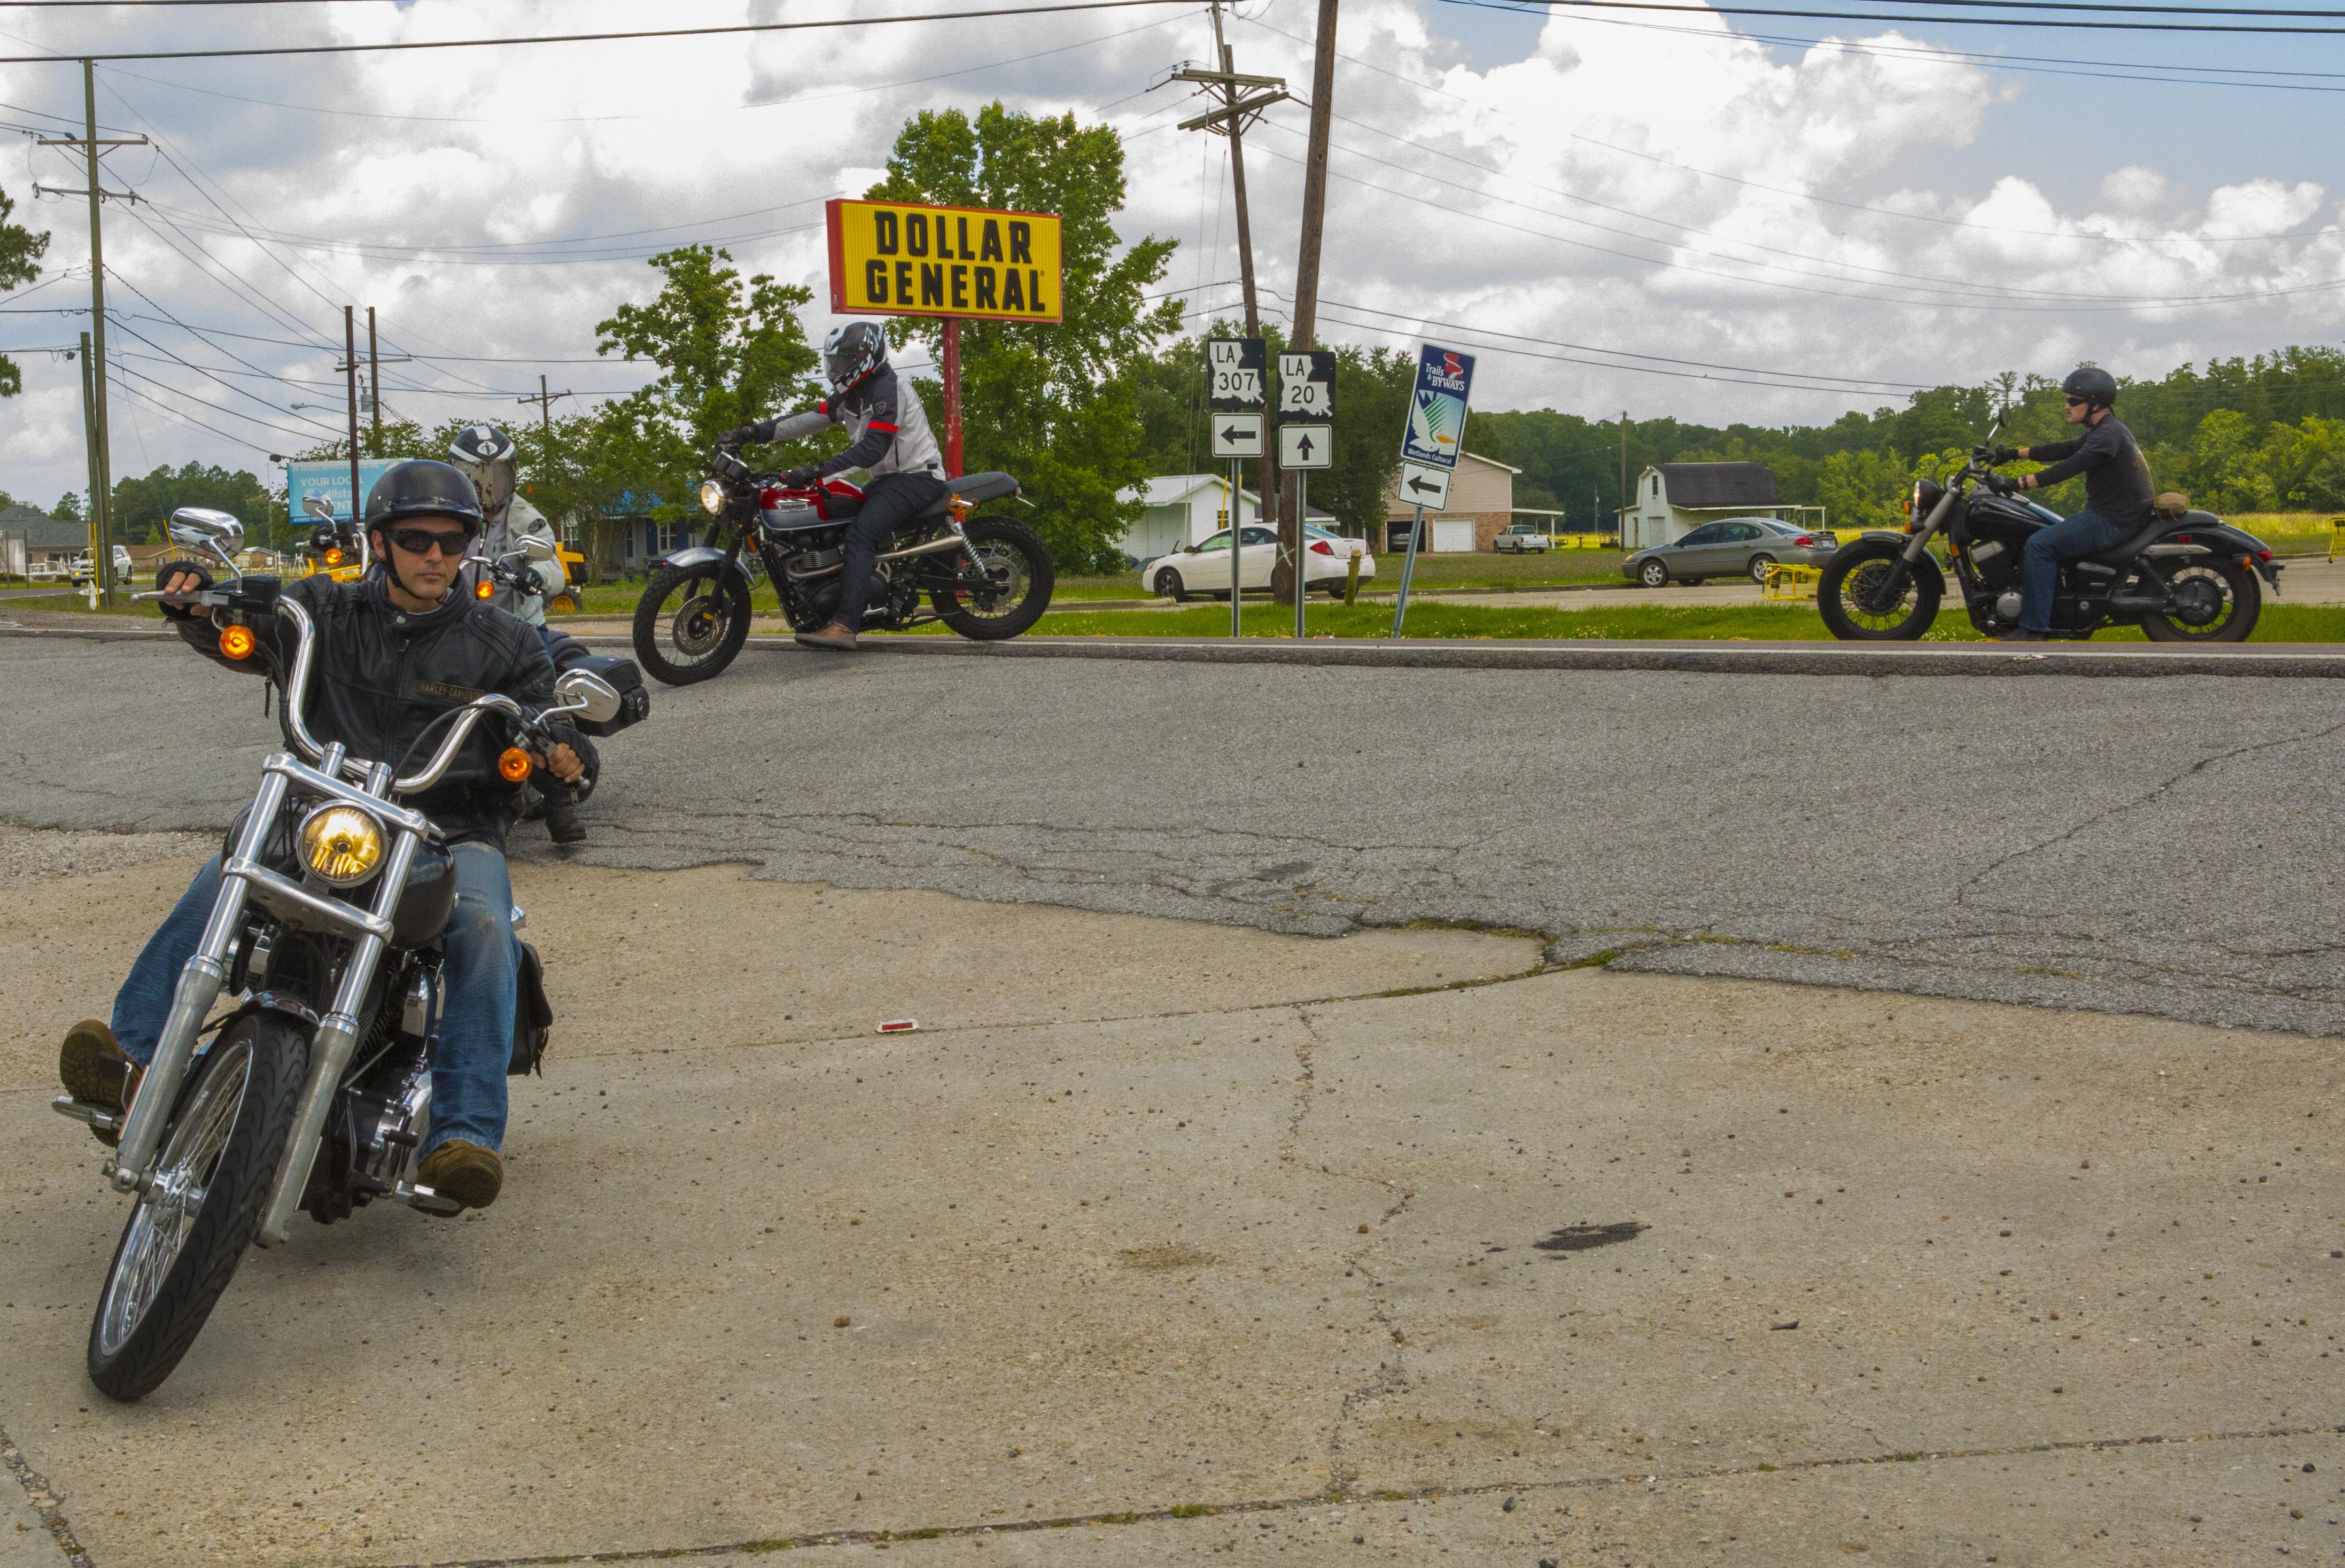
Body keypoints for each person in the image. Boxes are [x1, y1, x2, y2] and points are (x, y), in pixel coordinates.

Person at [55, 460, 584, 1214]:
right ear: (381, 542)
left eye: (453, 539)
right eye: (417, 539)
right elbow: (245, 629)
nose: (436, 554)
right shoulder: (322, 608)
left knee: (486, 926)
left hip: (449, 828)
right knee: (228, 874)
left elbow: (547, 714)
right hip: (320, 806)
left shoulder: (505, 642)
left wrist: (564, 749)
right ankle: (130, 1056)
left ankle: (463, 1135)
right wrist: (195, 601)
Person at [721, 320, 947, 651]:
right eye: (835, 361)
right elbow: (809, 419)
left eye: (845, 360)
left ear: (867, 356)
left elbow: (873, 449)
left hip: (917, 478)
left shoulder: (889, 390)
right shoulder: (851, 395)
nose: (838, 368)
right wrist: (751, 433)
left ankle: (844, 626)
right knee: (836, 519)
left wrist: (818, 472)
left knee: (860, 536)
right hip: (887, 481)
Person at [448, 424, 589, 843]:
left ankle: (560, 805)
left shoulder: (526, 517)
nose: (487, 488)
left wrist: (534, 575)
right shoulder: (449, 514)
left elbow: (553, 568)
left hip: (519, 631)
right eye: (477, 477)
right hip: (460, 626)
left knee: (537, 714)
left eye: (496, 476)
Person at [1990, 366, 2156, 642]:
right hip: (2115, 517)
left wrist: (2014, 483)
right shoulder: (2104, 430)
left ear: (2095, 404)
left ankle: (2033, 629)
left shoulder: (2107, 436)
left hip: (2112, 522)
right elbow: (2062, 450)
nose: (2066, 406)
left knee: (2040, 545)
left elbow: (2069, 467)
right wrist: (2012, 454)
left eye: (2074, 401)